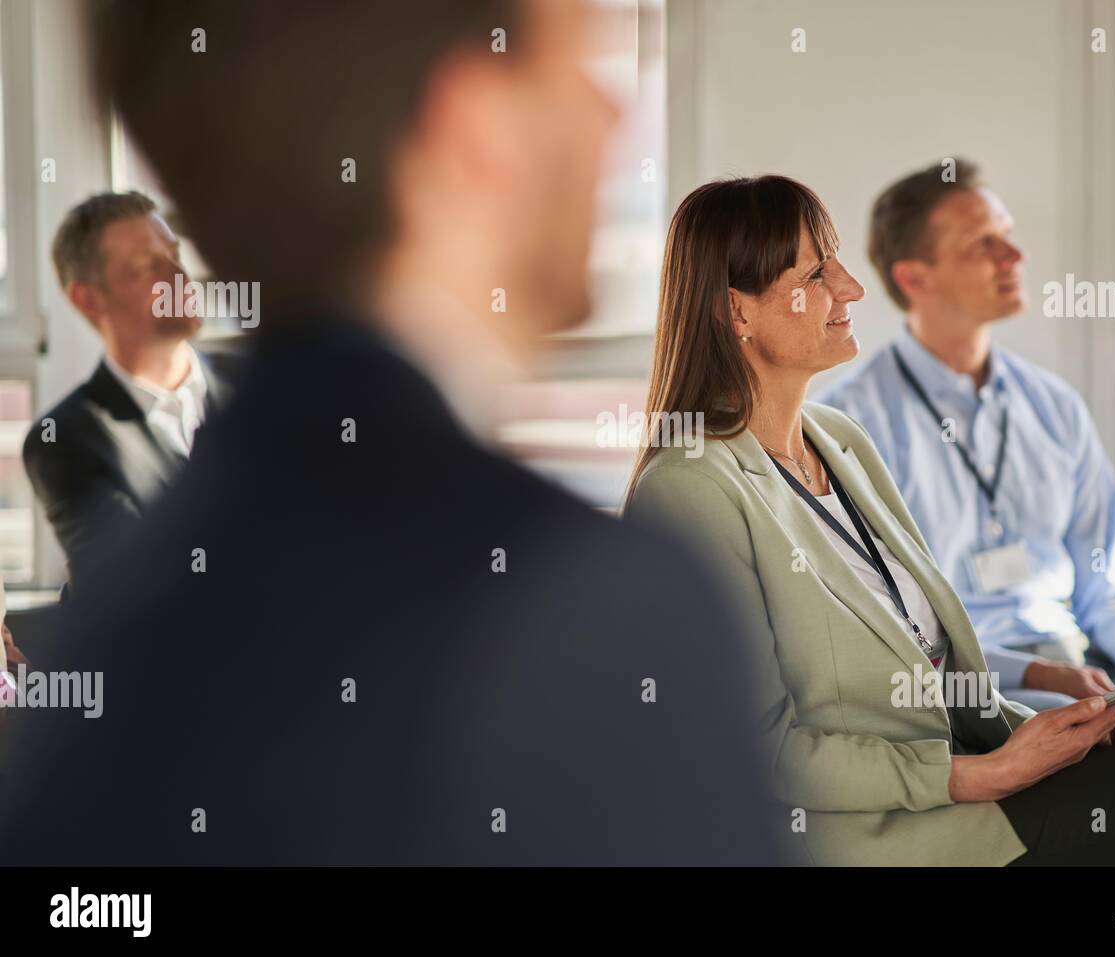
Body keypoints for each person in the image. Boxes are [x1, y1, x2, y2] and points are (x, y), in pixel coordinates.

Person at [0, 0, 784, 866]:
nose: (612, 112)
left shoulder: (99, 641)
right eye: (582, 64)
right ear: (475, 128)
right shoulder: (590, 603)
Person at [625, 174, 1115, 865]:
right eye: (818, 272)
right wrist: (983, 773)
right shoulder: (691, 486)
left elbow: (930, 664)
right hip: (895, 833)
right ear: (736, 311)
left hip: (982, 781)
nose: (852, 288)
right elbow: (752, 750)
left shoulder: (839, 440)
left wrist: (1056, 735)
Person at [817, 159, 1115, 732]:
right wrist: (1036, 675)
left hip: (1090, 671)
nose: (1015, 258)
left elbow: (1111, 587)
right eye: (983, 244)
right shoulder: (850, 423)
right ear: (915, 278)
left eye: (1009, 237)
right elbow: (885, 630)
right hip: (975, 691)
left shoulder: (1053, 406)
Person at [26, 192, 238, 577]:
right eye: (148, 267)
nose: (179, 276)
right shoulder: (62, 441)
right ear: (89, 299)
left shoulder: (259, 381)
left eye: (175, 254)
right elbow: (144, 585)